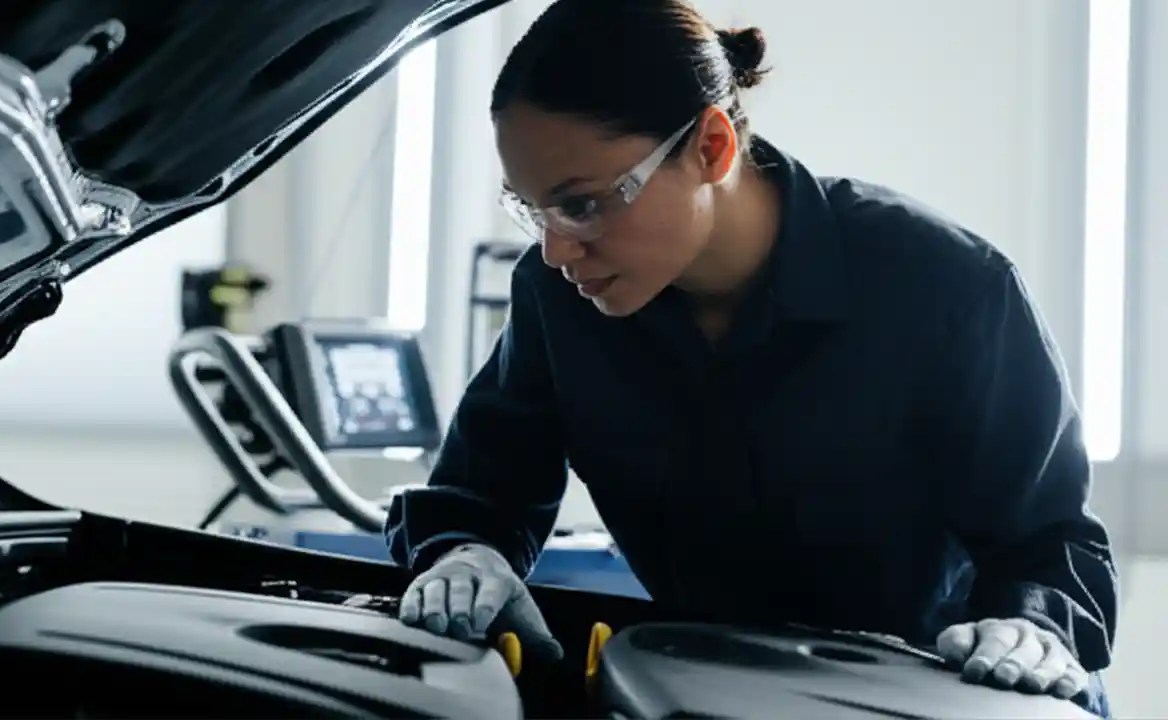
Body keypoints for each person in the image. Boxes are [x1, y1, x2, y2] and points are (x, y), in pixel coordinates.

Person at [383, 0, 1118, 716]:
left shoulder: (945, 286)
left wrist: (1031, 626)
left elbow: (1050, 542)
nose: (554, 247)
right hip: (703, 693)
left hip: (938, 699)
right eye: (530, 209)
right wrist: (466, 556)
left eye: (582, 204)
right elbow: (484, 494)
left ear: (711, 147)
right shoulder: (557, 297)